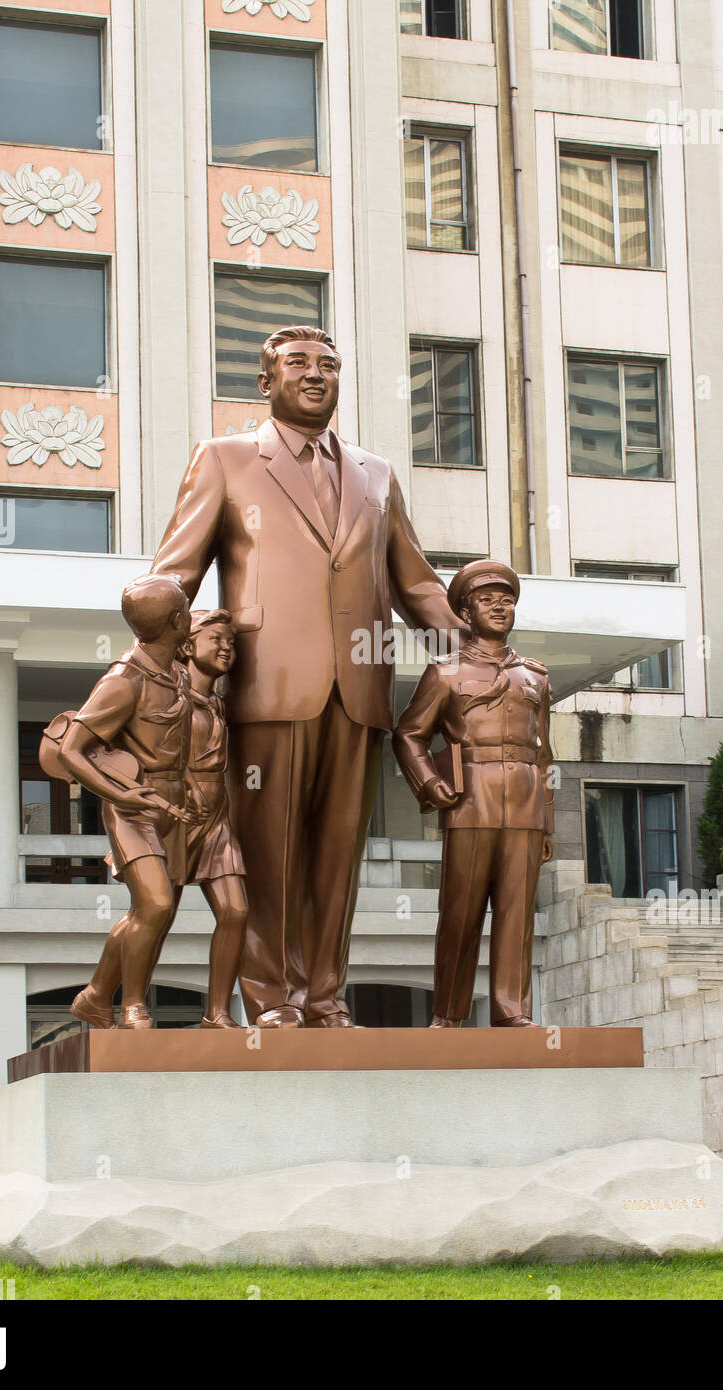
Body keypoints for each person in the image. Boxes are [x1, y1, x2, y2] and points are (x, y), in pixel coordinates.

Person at [150, 325, 467, 1028]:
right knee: (268, 853)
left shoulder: (376, 474)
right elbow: (175, 571)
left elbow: (415, 582)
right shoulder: (226, 460)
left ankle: (324, 997)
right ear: (266, 383)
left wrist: (472, 642)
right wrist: (153, 638)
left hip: (359, 692)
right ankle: (272, 1000)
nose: (316, 375)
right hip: (268, 685)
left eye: (329, 365)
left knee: (335, 858)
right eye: (298, 364)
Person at [393, 559, 554, 1028]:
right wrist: (428, 780)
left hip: (524, 802)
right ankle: (449, 1013)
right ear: (465, 612)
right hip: (471, 801)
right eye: (487, 599)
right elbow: (408, 734)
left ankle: (511, 1011)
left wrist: (548, 822)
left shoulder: (535, 677)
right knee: (461, 913)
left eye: (506, 600)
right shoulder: (446, 673)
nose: (499, 606)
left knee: (516, 915)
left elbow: (544, 754)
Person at [55, 574, 200, 1031]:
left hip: (173, 806)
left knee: (156, 911)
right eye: (187, 611)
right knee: (155, 905)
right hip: (131, 808)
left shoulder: (176, 673)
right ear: (177, 621)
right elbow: (69, 750)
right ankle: (132, 1005)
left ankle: (96, 996)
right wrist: (119, 794)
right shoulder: (123, 682)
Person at [179, 608, 248, 1030]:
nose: (226, 648)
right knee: (152, 916)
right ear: (187, 647)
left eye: (231, 642)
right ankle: (101, 995)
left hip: (216, 819)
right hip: (174, 816)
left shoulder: (221, 703)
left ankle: (217, 1012)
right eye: (216, 640)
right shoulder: (165, 695)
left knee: (236, 911)